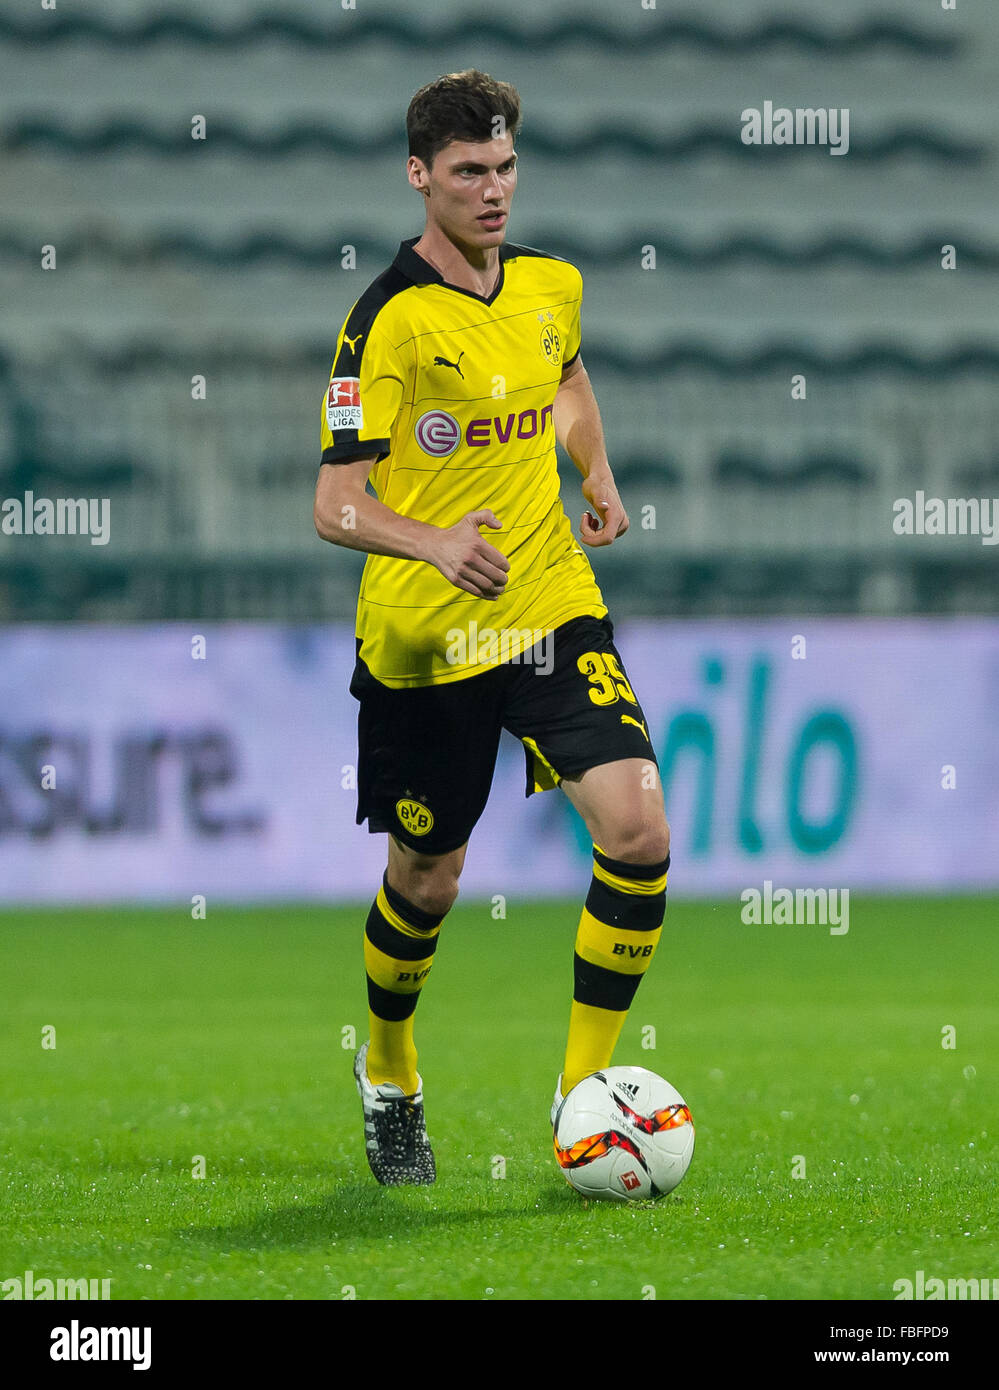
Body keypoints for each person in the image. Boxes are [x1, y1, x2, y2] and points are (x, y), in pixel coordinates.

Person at [314, 69, 670, 1185]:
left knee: (638, 831)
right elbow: (334, 505)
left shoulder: (552, 283)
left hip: (550, 602)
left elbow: (564, 377)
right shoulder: (383, 322)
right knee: (430, 878)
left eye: (507, 166)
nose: (495, 189)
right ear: (420, 176)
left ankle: (582, 1096)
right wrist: (433, 542)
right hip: (427, 639)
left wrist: (595, 467)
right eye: (470, 171)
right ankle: (390, 1069)